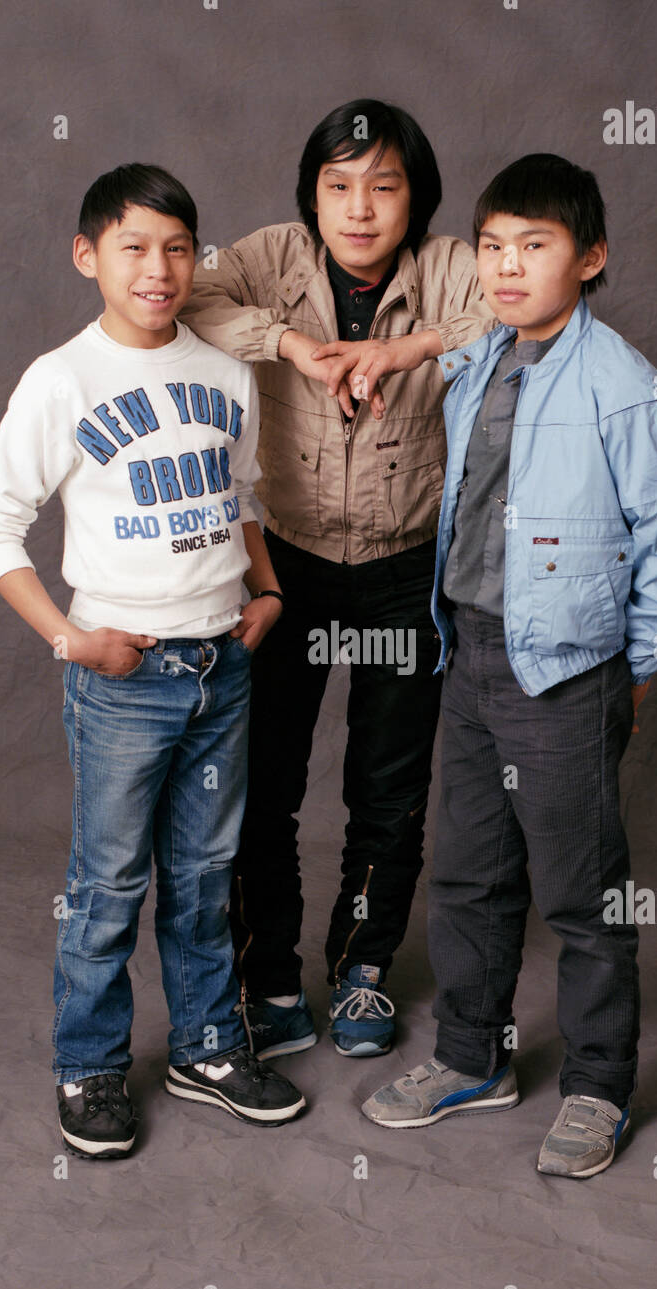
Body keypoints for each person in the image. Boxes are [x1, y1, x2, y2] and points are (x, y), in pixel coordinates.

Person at [361, 153, 657, 1179]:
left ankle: (599, 1084)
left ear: (589, 256)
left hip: (564, 673)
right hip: (469, 651)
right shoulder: (483, 357)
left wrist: (629, 670)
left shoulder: (626, 390)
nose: (507, 267)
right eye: (492, 247)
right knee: (469, 874)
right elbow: (449, 349)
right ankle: (471, 1058)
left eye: (535, 246)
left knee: (581, 891)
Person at [0, 163, 306, 1160]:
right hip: (124, 678)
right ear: (88, 257)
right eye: (133, 247)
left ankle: (205, 1048)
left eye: (175, 248)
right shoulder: (60, 380)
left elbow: (239, 497)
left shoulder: (225, 372)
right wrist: (69, 637)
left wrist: (270, 589)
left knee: (203, 877)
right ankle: (91, 1066)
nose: (158, 269)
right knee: (109, 884)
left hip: (221, 669)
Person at [178, 98, 496, 1060]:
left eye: (384, 186)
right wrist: (290, 344)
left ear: (418, 197)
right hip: (286, 567)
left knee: (388, 789)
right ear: (313, 194)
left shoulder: (450, 268)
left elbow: (521, 306)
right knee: (264, 783)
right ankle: (270, 975)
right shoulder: (272, 255)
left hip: (405, 573)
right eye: (338, 185)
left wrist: (405, 349)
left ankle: (362, 971)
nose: (359, 208)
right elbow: (179, 290)